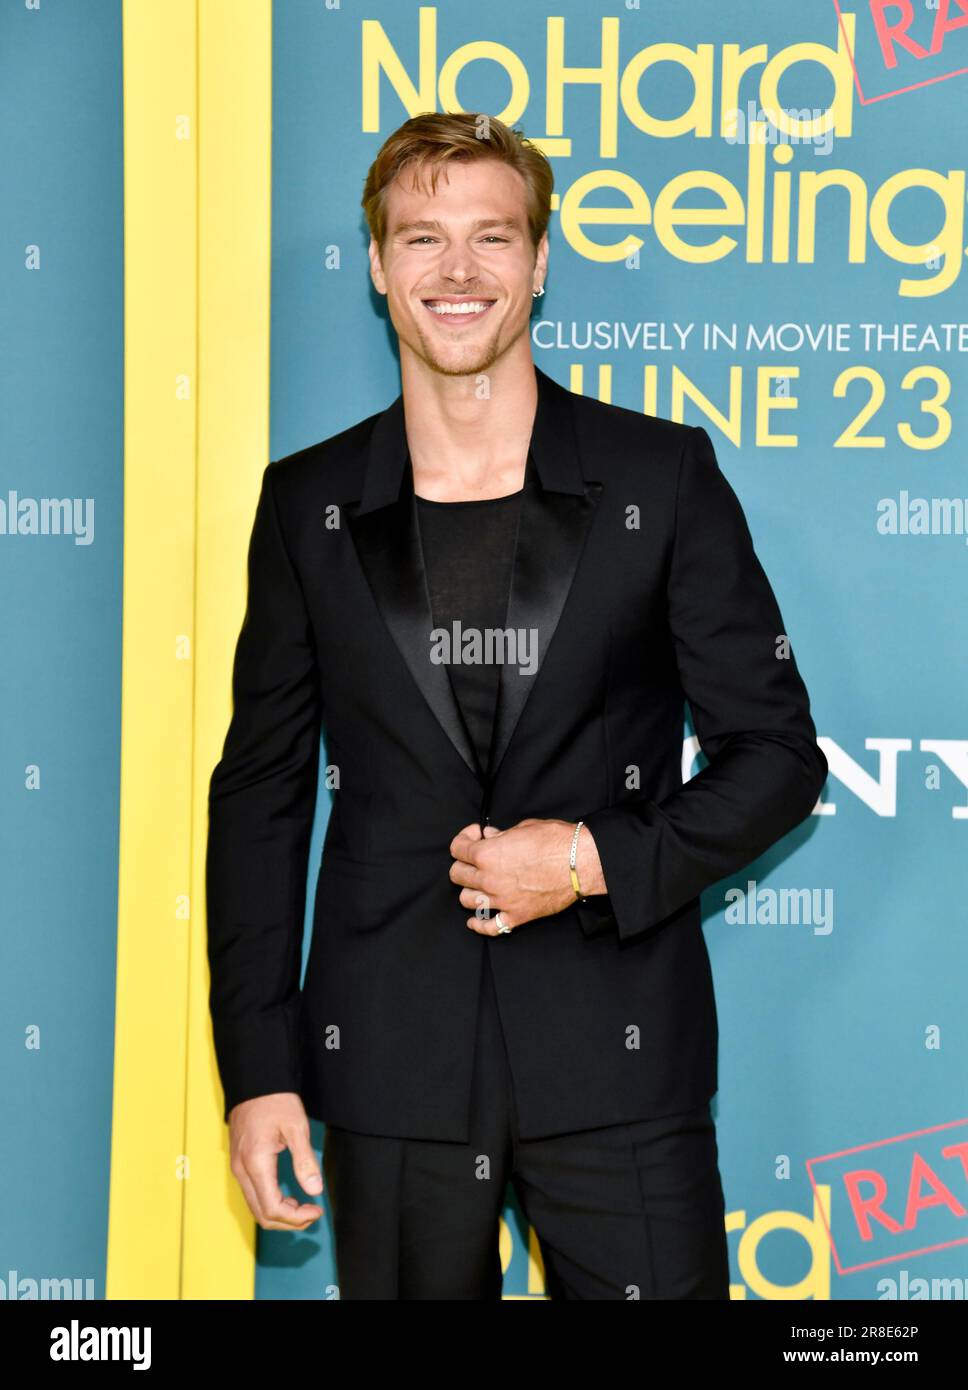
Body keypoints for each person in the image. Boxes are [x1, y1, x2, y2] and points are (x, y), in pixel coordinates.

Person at [205, 111, 827, 1300]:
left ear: (538, 264)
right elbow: (260, 800)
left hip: (615, 1062)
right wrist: (258, 1071)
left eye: (492, 237)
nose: (457, 271)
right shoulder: (309, 505)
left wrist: (593, 857)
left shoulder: (660, 477)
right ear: (379, 266)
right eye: (422, 238)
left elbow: (774, 756)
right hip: (387, 1066)